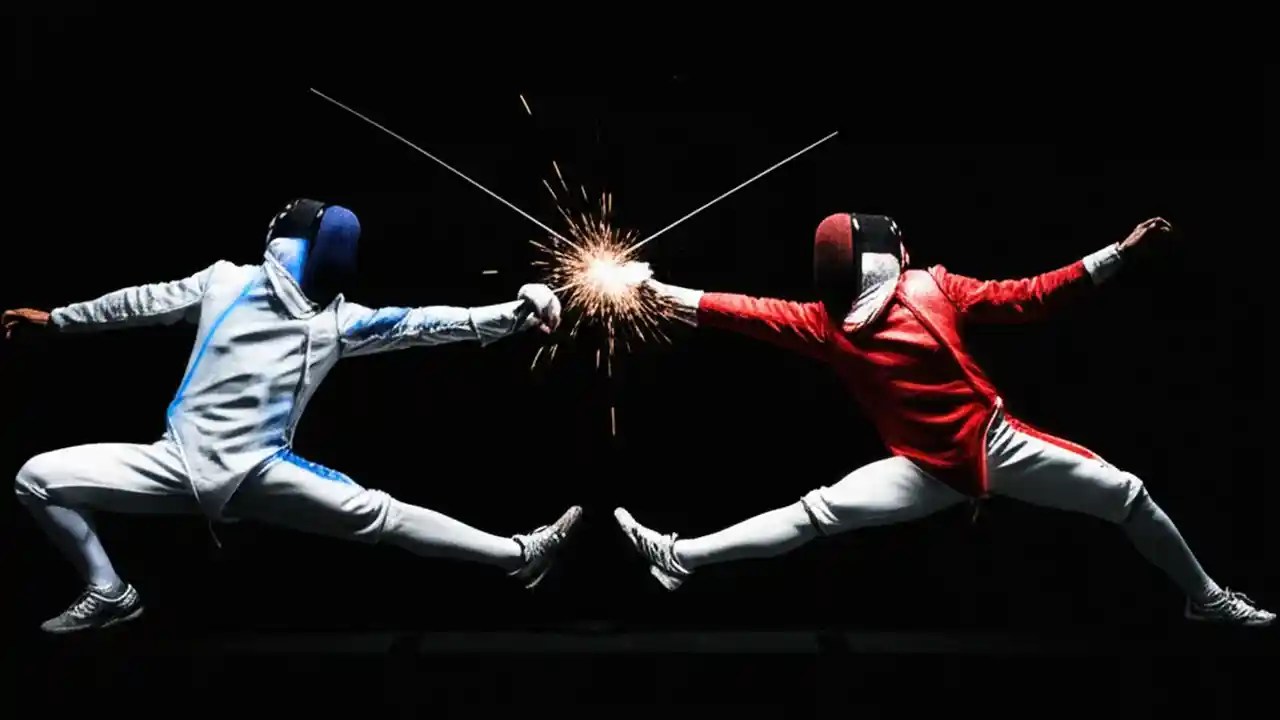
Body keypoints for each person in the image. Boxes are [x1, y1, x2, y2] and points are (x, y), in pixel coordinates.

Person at [615, 214, 1273, 628]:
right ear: (877, 258)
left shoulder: (909, 296)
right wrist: (653, 292)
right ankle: (679, 557)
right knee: (818, 512)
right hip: (931, 467)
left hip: (991, 448)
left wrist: (1116, 256)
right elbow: (736, 309)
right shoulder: (863, 310)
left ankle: (1204, 598)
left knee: (1126, 494)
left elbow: (1032, 297)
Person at [5, 198, 582, 634]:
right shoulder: (224, 282)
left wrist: (515, 313)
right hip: (172, 462)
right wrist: (59, 319)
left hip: (261, 473)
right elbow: (142, 302)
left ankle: (521, 556)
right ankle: (109, 591)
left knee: (385, 515)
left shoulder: (338, 322)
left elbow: (428, 324)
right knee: (36, 479)